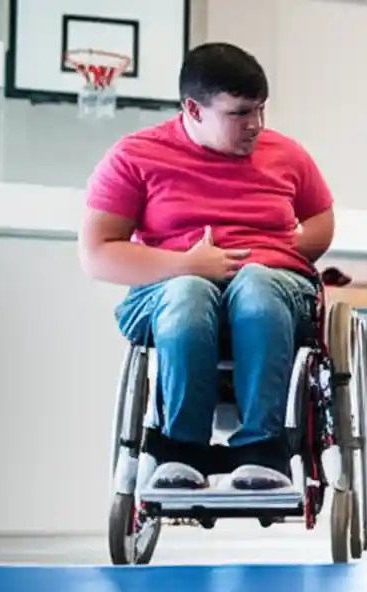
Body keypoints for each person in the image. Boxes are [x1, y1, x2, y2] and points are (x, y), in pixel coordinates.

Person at [79, 42, 335, 492]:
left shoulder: (287, 154)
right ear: (194, 109)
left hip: (271, 287)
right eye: (239, 113)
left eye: (260, 110)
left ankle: (262, 446)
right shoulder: (136, 156)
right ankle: (180, 448)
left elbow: (320, 217)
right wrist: (186, 264)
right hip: (170, 290)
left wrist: (281, 253)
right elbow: (98, 252)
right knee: (188, 291)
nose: (255, 125)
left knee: (258, 285)